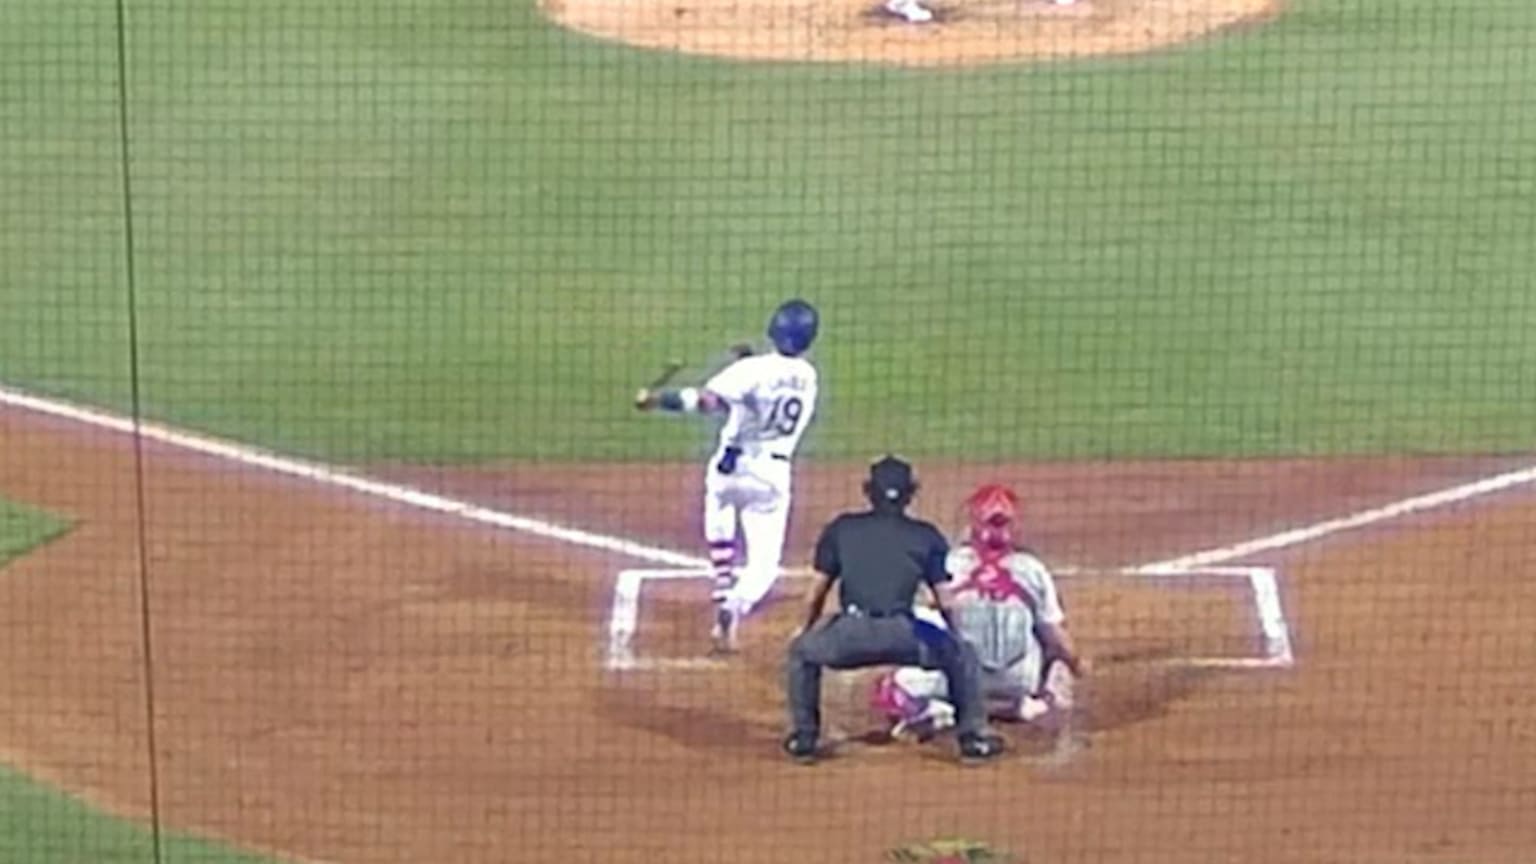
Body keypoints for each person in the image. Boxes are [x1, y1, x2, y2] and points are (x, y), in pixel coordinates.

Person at [781, 456, 1005, 765]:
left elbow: (816, 594)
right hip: (906, 633)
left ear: (868, 491)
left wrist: (804, 630)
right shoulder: (925, 535)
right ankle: (972, 740)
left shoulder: (841, 529)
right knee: (962, 654)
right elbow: (945, 599)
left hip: (850, 634)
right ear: (911, 494)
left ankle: (804, 739)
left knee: (802, 653)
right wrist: (955, 638)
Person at [634, 299, 820, 653]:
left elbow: (709, 402)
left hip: (728, 467)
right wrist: (746, 362)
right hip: (771, 476)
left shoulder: (750, 370)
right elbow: (766, 393)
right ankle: (734, 605)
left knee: (718, 503)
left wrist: (659, 400)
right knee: (763, 569)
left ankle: (722, 579)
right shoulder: (809, 378)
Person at [870, 483, 1089, 740]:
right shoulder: (1033, 569)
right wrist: (1077, 665)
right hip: (1019, 681)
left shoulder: (949, 565)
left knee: (894, 679)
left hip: (965, 679)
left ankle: (941, 711)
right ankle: (1028, 705)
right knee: (1050, 641)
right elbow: (1055, 635)